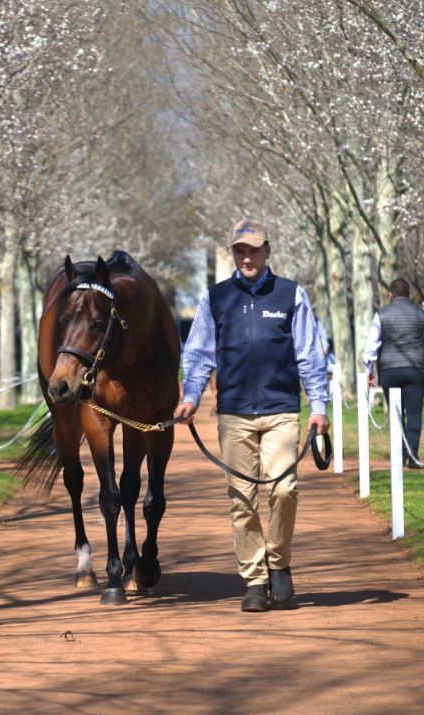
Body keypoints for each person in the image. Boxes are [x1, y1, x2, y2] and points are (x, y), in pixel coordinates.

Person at [174, 219, 329, 613]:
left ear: (267, 251)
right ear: (233, 253)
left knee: (284, 489)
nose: (247, 257)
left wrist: (319, 407)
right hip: (234, 413)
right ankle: (255, 580)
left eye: (253, 250)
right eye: (240, 251)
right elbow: (199, 354)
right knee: (242, 499)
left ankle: (278, 561)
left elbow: (309, 355)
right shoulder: (215, 298)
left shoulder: (291, 294)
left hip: (281, 410)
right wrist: (191, 396)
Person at [362, 278, 424, 468]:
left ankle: (400, 454)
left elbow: (371, 345)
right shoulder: (422, 314)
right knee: (414, 413)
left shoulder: (381, 315)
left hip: (389, 370)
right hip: (415, 369)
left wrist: (369, 369)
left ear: (390, 295)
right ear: (409, 294)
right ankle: (412, 454)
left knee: (396, 413)